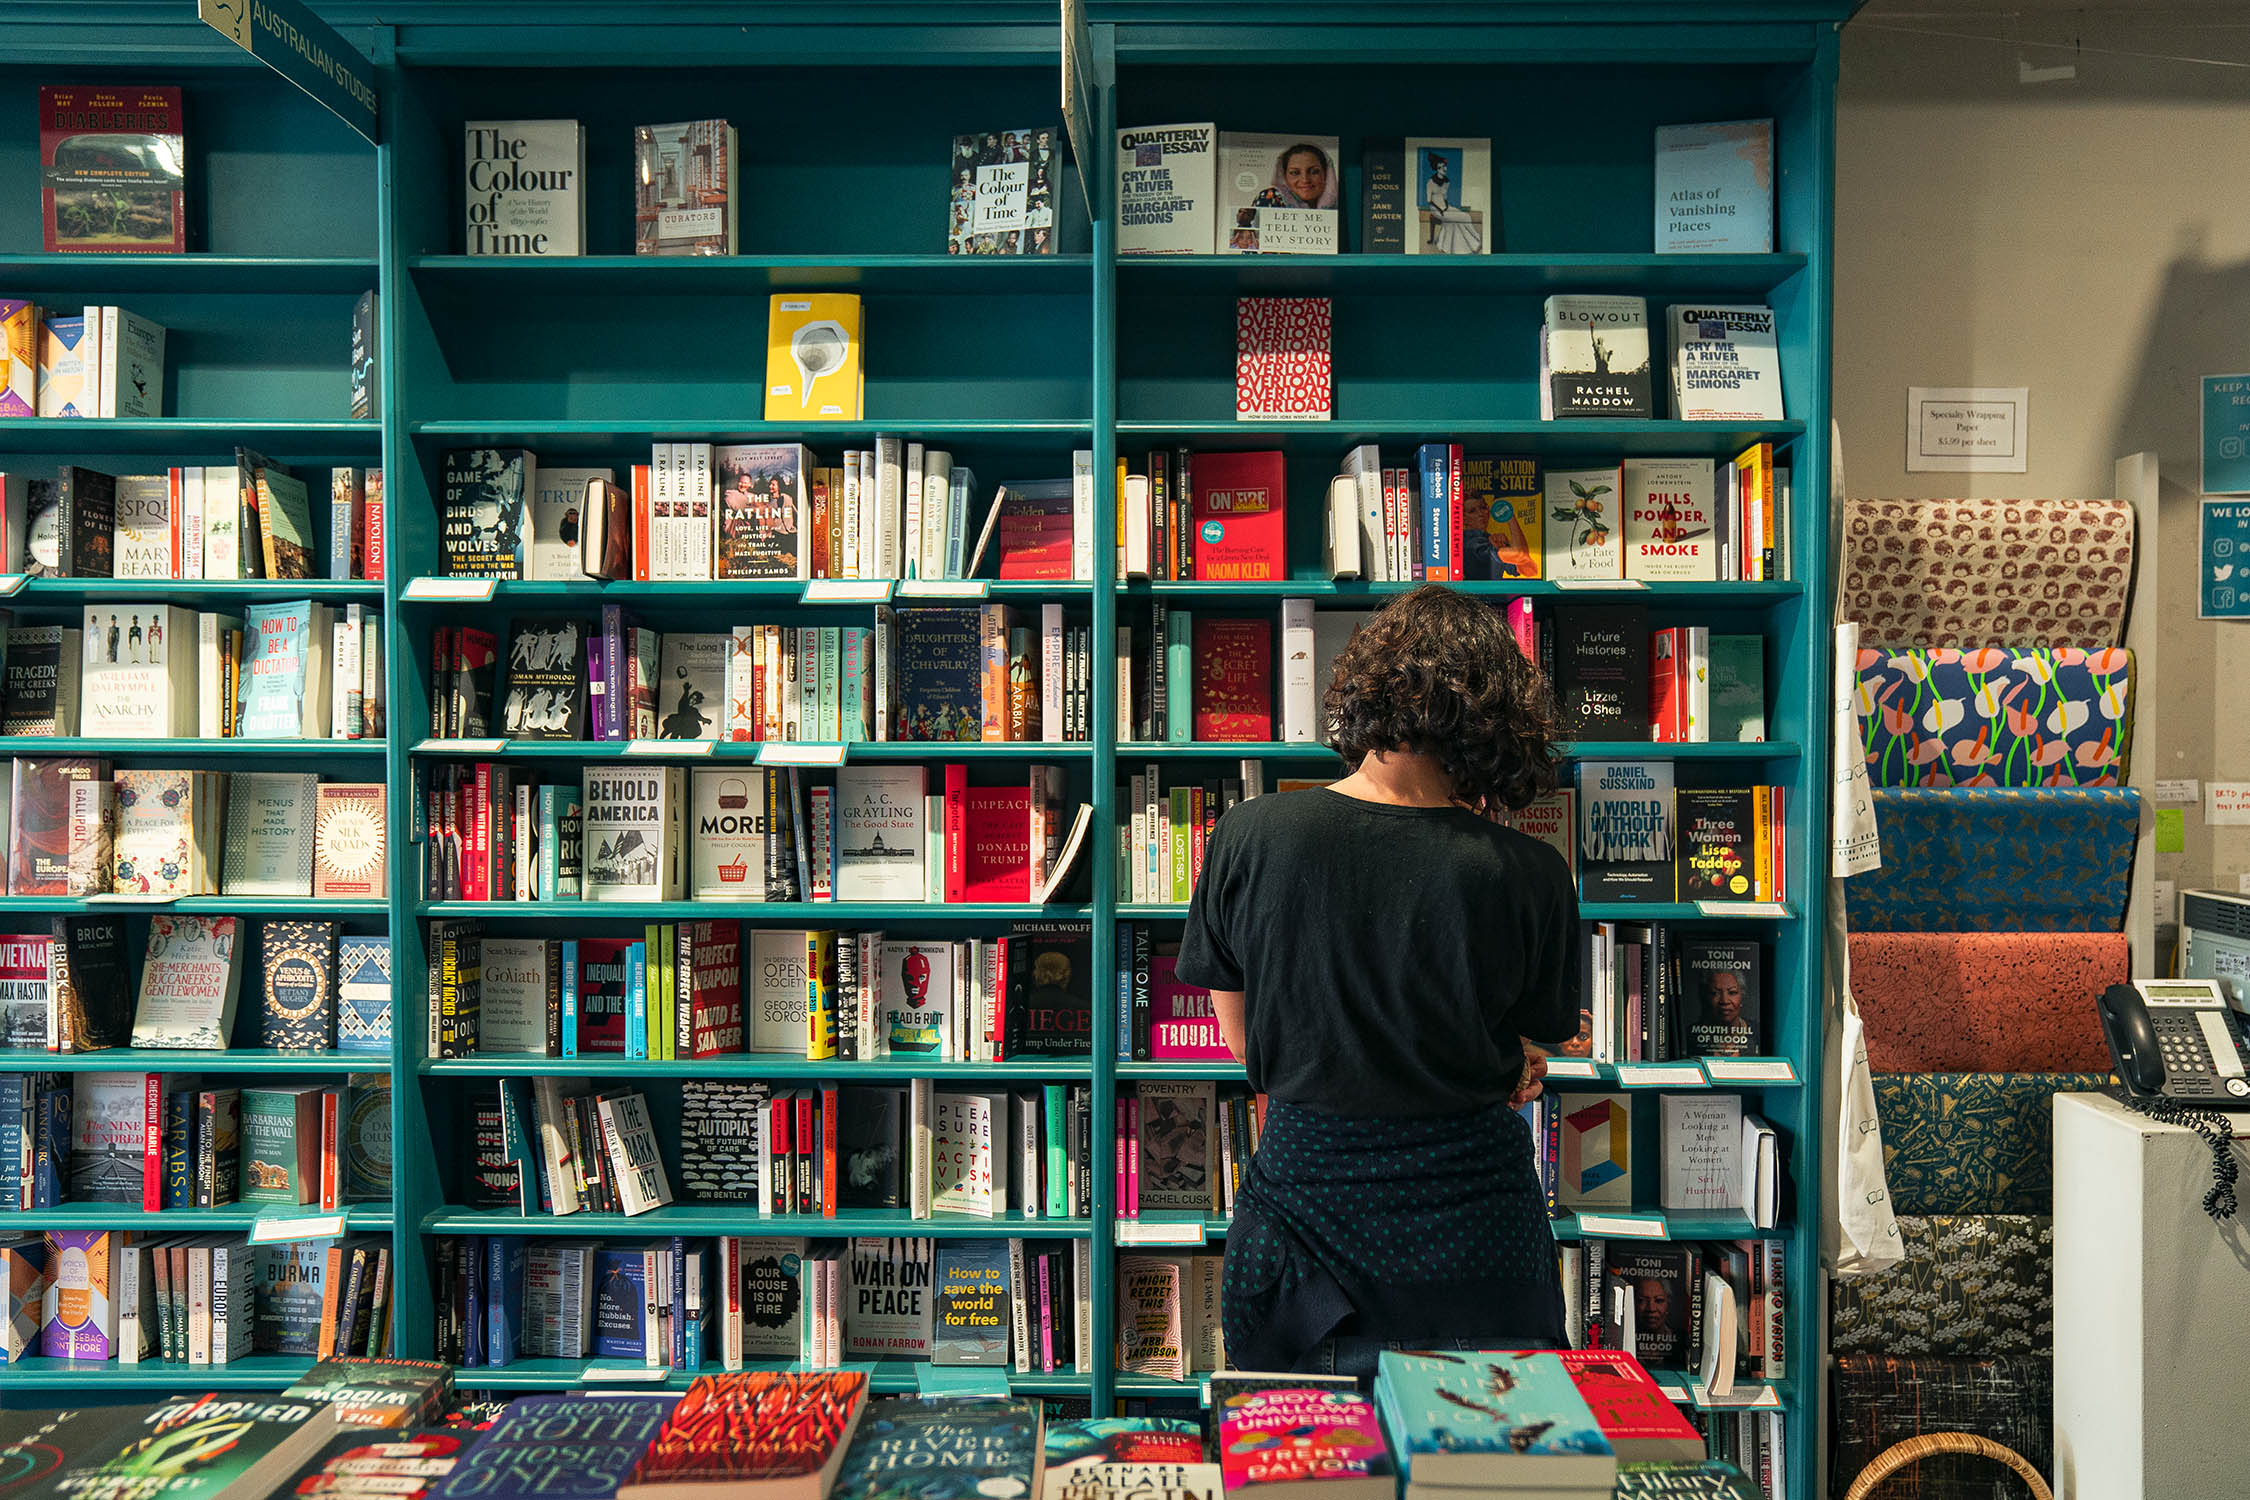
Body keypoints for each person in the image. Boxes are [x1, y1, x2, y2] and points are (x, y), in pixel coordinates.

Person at [1178, 584, 1578, 1378]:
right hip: (1478, 1235)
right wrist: (1513, 1061)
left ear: (1362, 694)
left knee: (1306, 1465)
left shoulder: (1250, 835)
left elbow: (1246, 1042)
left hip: (1306, 1223)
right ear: (1497, 719)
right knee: (1500, 1458)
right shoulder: (1530, 871)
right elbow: (1530, 1043)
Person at [1253, 142, 1335, 210]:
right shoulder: (1270, 198)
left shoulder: (1340, 203)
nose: (1305, 180)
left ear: (1326, 174)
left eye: (1314, 172)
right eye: (1295, 173)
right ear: (1284, 177)